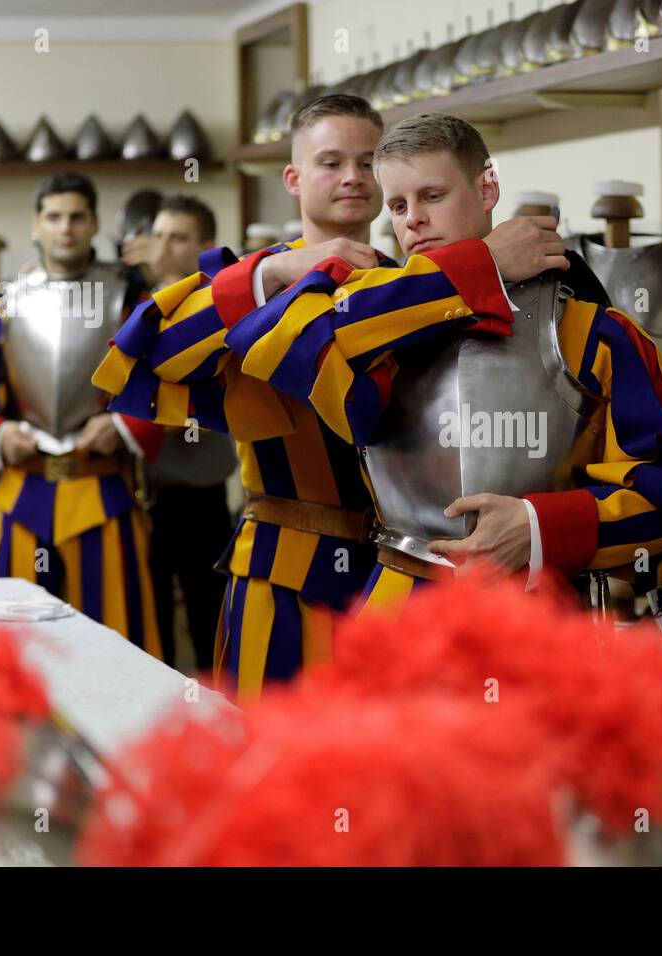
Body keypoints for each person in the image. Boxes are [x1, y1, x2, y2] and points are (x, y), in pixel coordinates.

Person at [220, 111, 662, 611]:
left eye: (433, 195)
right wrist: (473, 268)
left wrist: (542, 526)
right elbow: (260, 338)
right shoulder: (373, 323)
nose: (414, 221)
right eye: (399, 206)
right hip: (399, 613)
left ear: (487, 188)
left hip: (540, 613)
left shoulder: (587, 331)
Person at [94, 94, 392, 695]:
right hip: (281, 570)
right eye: (331, 162)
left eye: (369, 161)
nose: (353, 178)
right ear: (293, 178)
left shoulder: (412, 282)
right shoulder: (249, 284)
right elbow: (145, 360)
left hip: (395, 577)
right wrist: (274, 273)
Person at [0, 172, 163, 657]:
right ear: (35, 225)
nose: (65, 228)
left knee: (117, 649)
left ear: (95, 223)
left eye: (77, 217)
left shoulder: (132, 302)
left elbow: (177, 388)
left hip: (103, 496)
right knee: (21, 650)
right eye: (54, 216)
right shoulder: (3, 308)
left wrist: (124, 426)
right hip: (23, 496)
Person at [119, 195, 239, 674]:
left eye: (178, 238)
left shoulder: (212, 305)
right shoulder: (143, 305)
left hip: (196, 491)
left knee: (208, 615)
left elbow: (174, 383)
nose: (163, 248)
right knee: (147, 624)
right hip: (141, 491)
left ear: (206, 246)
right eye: (160, 235)